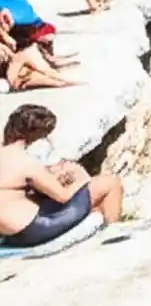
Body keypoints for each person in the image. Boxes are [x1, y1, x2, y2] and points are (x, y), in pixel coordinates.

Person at [0, 105, 123, 247]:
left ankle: (99, 228)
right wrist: (81, 176)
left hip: (10, 233)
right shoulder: (27, 163)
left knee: (88, 201)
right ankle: (112, 237)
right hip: (34, 229)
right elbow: (63, 196)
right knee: (109, 183)